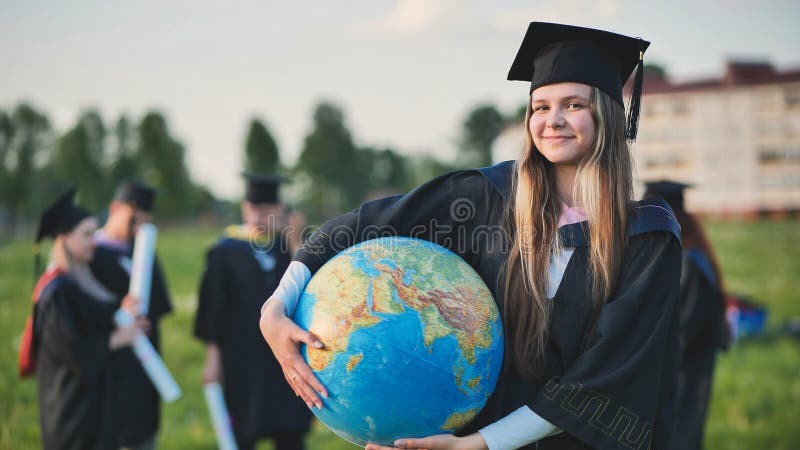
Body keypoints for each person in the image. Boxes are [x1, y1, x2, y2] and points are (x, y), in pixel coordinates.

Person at [260, 22, 682, 450]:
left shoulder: (645, 236)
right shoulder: (489, 198)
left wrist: (482, 443)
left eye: (573, 105)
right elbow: (363, 226)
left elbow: (606, 374)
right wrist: (276, 305)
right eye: (540, 107)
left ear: (607, 115)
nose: (553, 120)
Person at [195, 173, 312, 450]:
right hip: (241, 357)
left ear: (280, 211)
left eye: (267, 211)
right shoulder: (224, 250)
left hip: (284, 354)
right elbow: (213, 310)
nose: (259, 218)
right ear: (244, 208)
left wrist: (294, 238)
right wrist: (213, 358)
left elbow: (309, 287)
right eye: (254, 210)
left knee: (290, 432)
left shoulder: (288, 245)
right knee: (243, 431)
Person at [24, 187, 147, 450]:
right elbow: (77, 352)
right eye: (87, 234)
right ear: (64, 239)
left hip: (94, 411)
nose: (95, 240)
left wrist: (122, 316)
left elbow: (95, 319)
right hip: (71, 414)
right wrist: (117, 337)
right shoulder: (56, 294)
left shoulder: (78, 281)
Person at [644, 181, 730, 450]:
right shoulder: (679, 253)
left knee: (682, 432)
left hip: (686, 367)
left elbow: (685, 326)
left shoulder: (690, 263)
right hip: (678, 366)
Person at [89, 180, 173, 450]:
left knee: (142, 432)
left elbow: (158, 304)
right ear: (115, 208)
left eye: (144, 223)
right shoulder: (92, 254)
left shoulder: (142, 249)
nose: (137, 229)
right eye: (133, 220)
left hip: (142, 364)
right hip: (110, 364)